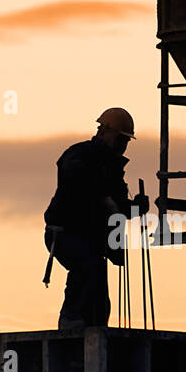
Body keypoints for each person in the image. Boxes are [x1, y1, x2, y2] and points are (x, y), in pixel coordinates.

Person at [43, 108, 147, 332]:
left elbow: (118, 207)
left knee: (98, 284)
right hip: (64, 233)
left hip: (91, 238)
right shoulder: (78, 155)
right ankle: (71, 321)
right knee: (88, 265)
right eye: (120, 138)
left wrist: (136, 208)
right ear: (104, 132)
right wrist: (106, 195)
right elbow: (78, 182)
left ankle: (97, 330)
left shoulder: (113, 168)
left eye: (126, 141)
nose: (122, 145)